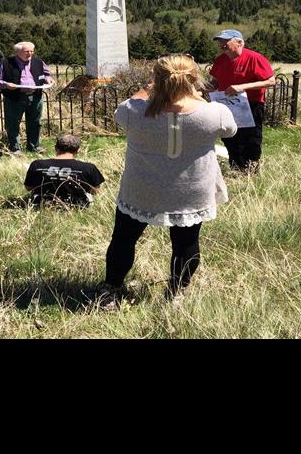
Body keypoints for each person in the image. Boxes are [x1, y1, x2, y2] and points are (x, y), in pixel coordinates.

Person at [99, 55, 237, 308]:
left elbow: (123, 110)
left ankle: (111, 289)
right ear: (194, 79)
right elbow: (230, 130)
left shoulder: (134, 112)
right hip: (191, 189)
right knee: (186, 243)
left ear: (156, 80)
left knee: (123, 239)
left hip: (142, 187)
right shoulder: (214, 113)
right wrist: (195, 94)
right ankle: (176, 293)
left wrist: (148, 87)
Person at [209, 29, 276, 173]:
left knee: (251, 138)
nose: (221, 44)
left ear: (239, 42)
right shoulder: (220, 60)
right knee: (230, 136)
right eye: (220, 41)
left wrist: (242, 87)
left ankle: (251, 171)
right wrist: (198, 89)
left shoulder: (254, 58)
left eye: (225, 41)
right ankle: (236, 168)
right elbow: (214, 83)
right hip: (227, 104)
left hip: (251, 104)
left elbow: (271, 81)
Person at [0, 41, 53, 154]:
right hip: (15, 97)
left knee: (35, 122)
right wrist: (6, 85)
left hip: (35, 96)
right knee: (13, 123)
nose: (30, 53)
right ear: (18, 52)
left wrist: (48, 78)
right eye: (27, 51)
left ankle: (34, 146)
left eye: (32, 51)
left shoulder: (38, 62)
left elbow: (46, 74)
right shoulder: (6, 63)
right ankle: (15, 148)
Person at [24, 134, 105, 208]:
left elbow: (28, 187)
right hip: (77, 207)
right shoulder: (89, 167)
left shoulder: (37, 164)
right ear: (78, 150)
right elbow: (95, 191)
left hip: (42, 206)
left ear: (55, 148)